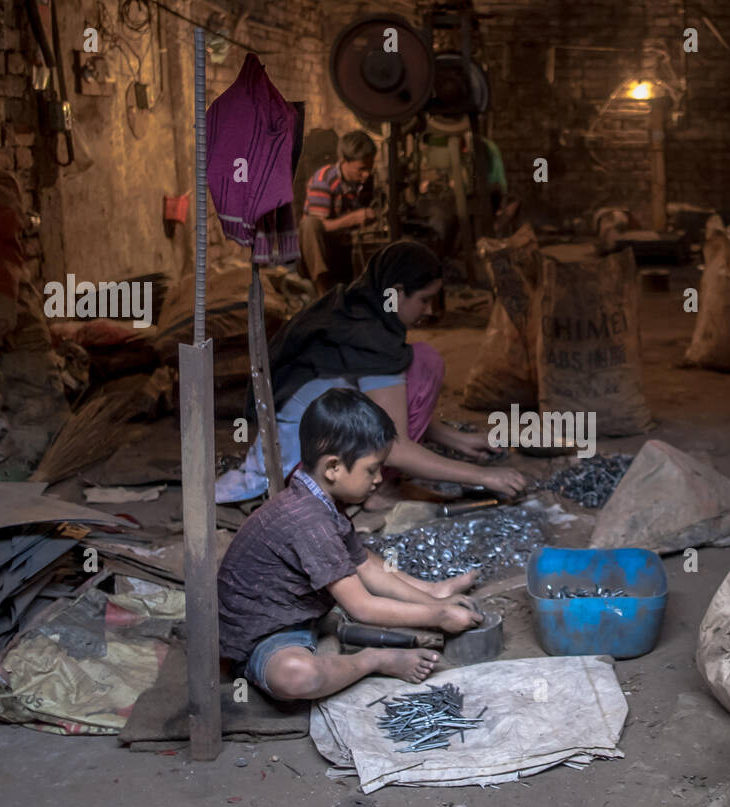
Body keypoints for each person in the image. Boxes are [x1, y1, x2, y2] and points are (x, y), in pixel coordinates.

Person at [216, 239, 528, 506]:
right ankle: (376, 493)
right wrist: (484, 476)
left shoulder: (351, 307)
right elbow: (393, 448)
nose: (430, 311)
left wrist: (460, 441)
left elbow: (383, 405)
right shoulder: (373, 339)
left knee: (414, 363)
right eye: (425, 300)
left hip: (285, 454)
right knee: (425, 362)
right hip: (306, 472)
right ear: (397, 293)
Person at [218, 388, 484, 700]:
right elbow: (362, 608)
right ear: (332, 468)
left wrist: (434, 601)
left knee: (368, 562)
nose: (379, 479)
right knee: (297, 677)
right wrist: (437, 617)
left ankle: (432, 593)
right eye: (372, 469)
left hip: (297, 615)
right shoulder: (308, 521)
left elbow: (365, 564)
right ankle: (373, 659)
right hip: (262, 636)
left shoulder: (319, 498)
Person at [299, 130, 378, 295]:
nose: (367, 174)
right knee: (309, 225)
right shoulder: (323, 180)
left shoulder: (367, 180)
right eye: (361, 169)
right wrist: (354, 218)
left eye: (369, 168)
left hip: (348, 248)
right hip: (323, 250)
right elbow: (320, 225)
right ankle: (322, 292)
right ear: (344, 162)